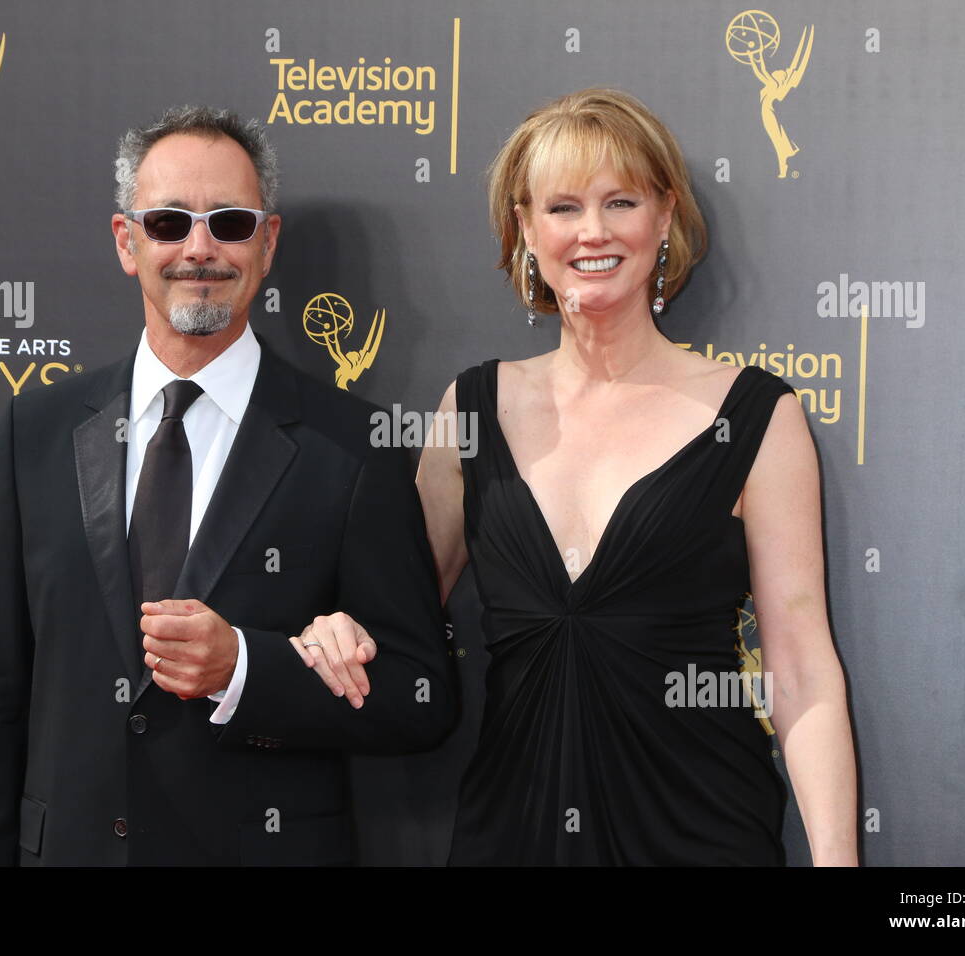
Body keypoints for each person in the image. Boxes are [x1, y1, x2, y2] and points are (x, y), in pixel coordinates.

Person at [300, 89, 858, 865]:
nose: (592, 232)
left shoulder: (756, 413)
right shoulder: (473, 407)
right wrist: (335, 627)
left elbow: (799, 670)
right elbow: (399, 620)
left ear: (664, 217)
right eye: (563, 207)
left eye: (620, 201)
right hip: (513, 830)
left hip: (700, 831)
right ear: (525, 228)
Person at [0, 105, 456, 866]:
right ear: (127, 241)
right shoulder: (36, 432)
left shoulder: (352, 447)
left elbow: (421, 699)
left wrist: (247, 666)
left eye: (231, 222)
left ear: (268, 242)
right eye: (170, 222)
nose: (200, 248)